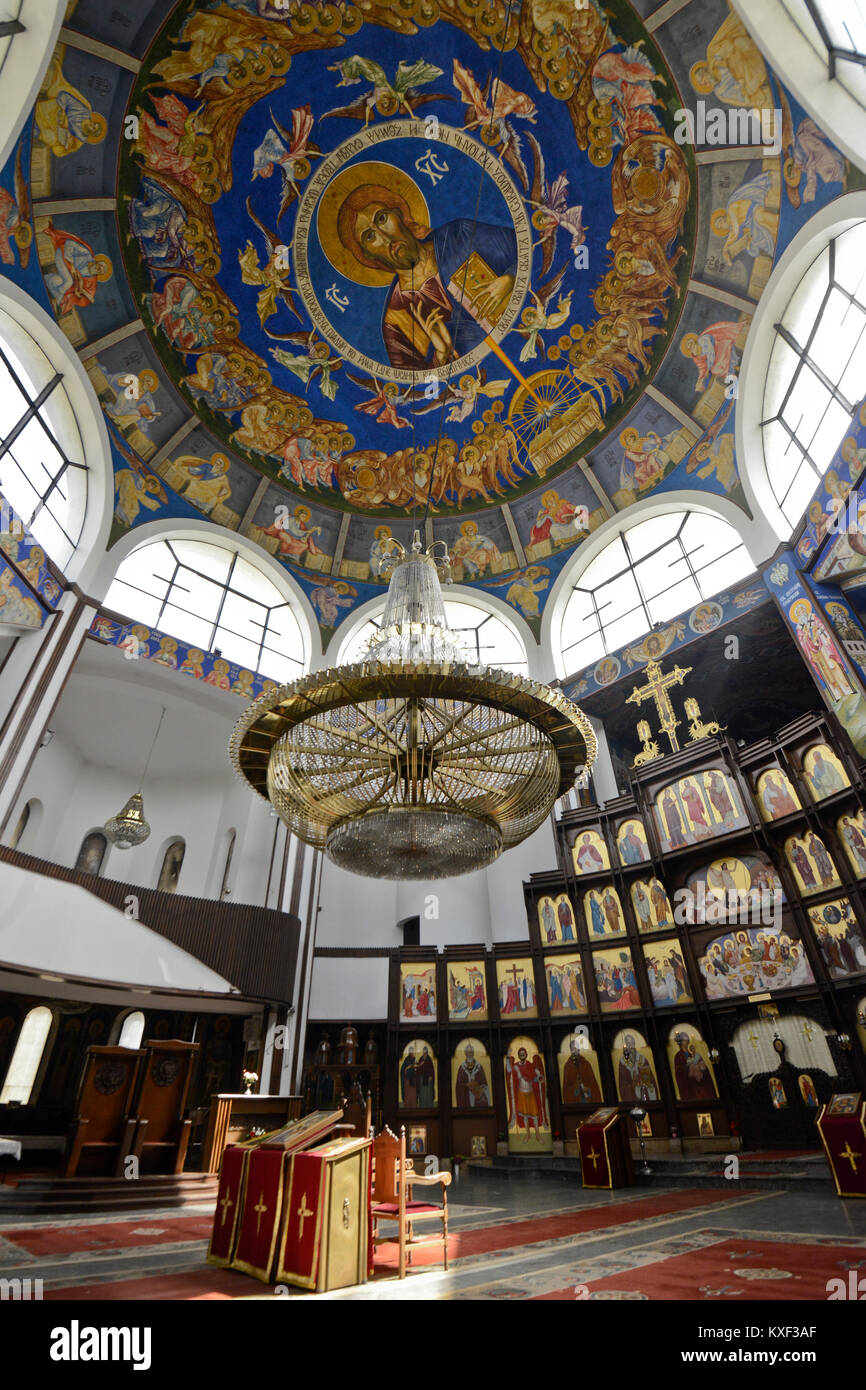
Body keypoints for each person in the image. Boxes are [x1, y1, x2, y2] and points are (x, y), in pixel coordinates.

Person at [332, 172, 517, 370]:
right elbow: (416, 390)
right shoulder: (397, 320)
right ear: (367, 255)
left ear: (399, 214)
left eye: (382, 218)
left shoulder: (457, 236)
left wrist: (511, 279)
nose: (384, 236)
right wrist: (441, 356)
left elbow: (527, 250)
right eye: (369, 236)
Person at [561, 1034, 601, 1103]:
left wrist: (587, 1088)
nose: (575, 1050)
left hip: (587, 1098)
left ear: (579, 1049)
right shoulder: (568, 1066)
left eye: (576, 1048)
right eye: (573, 1049)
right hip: (575, 1100)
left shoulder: (585, 1064)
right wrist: (575, 1087)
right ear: (570, 1050)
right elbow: (566, 1088)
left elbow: (593, 1083)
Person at [455, 1043, 490, 1108]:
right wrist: (467, 1086)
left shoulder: (479, 1067)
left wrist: (478, 1087)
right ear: (465, 1053)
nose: (469, 1054)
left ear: (473, 1053)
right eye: (468, 1052)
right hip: (466, 1097)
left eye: (471, 1052)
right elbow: (458, 1085)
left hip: (477, 1097)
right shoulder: (462, 1068)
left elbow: (484, 1083)